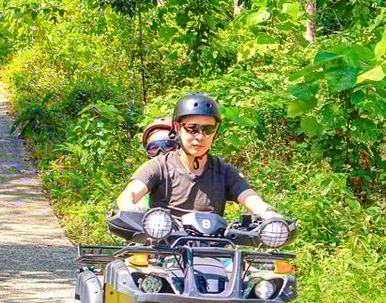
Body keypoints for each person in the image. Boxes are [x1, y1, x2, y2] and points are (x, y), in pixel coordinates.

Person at [117, 93, 280, 221]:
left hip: (213, 251)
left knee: (254, 264)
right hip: (164, 250)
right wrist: (127, 205)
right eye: (192, 128)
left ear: (215, 131)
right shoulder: (159, 166)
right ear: (177, 128)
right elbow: (131, 193)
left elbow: (249, 197)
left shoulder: (224, 171)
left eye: (207, 130)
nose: (200, 136)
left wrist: (267, 213)